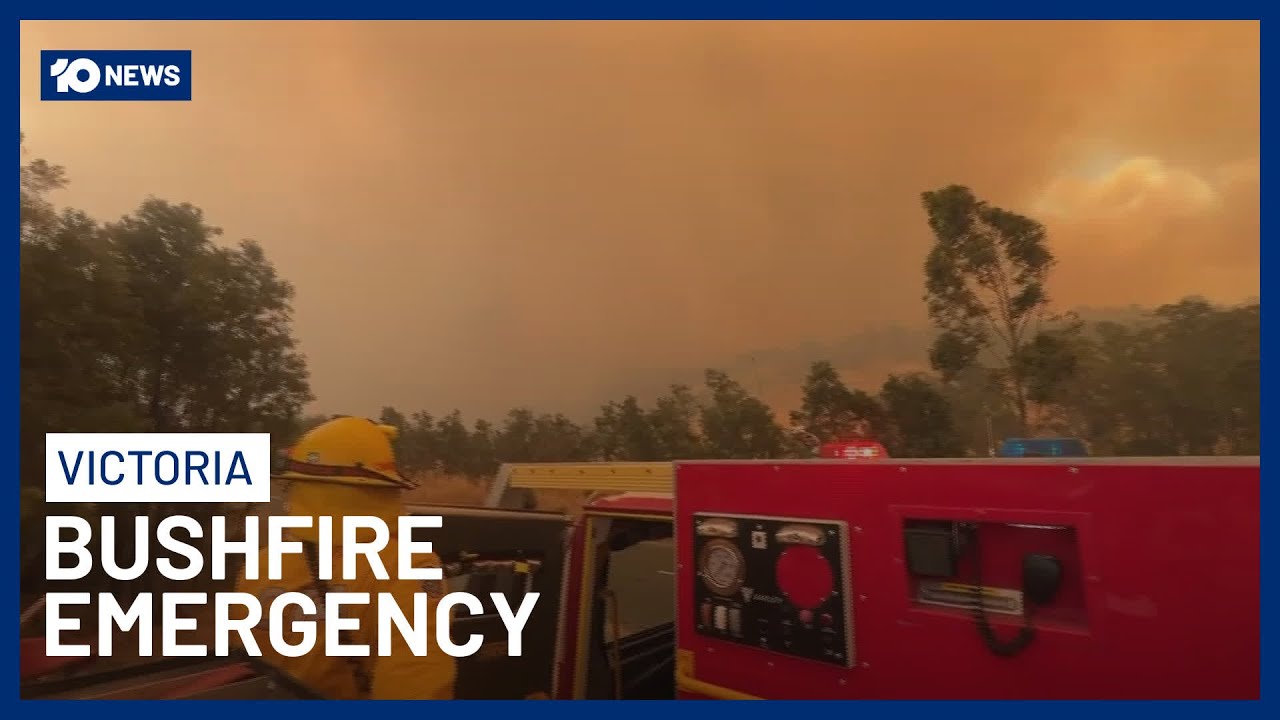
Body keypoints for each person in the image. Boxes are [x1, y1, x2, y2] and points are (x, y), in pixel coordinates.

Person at [234, 416, 457, 700]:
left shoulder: (261, 564)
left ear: (297, 486)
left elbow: (244, 663)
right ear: (382, 489)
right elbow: (417, 690)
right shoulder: (411, 567)